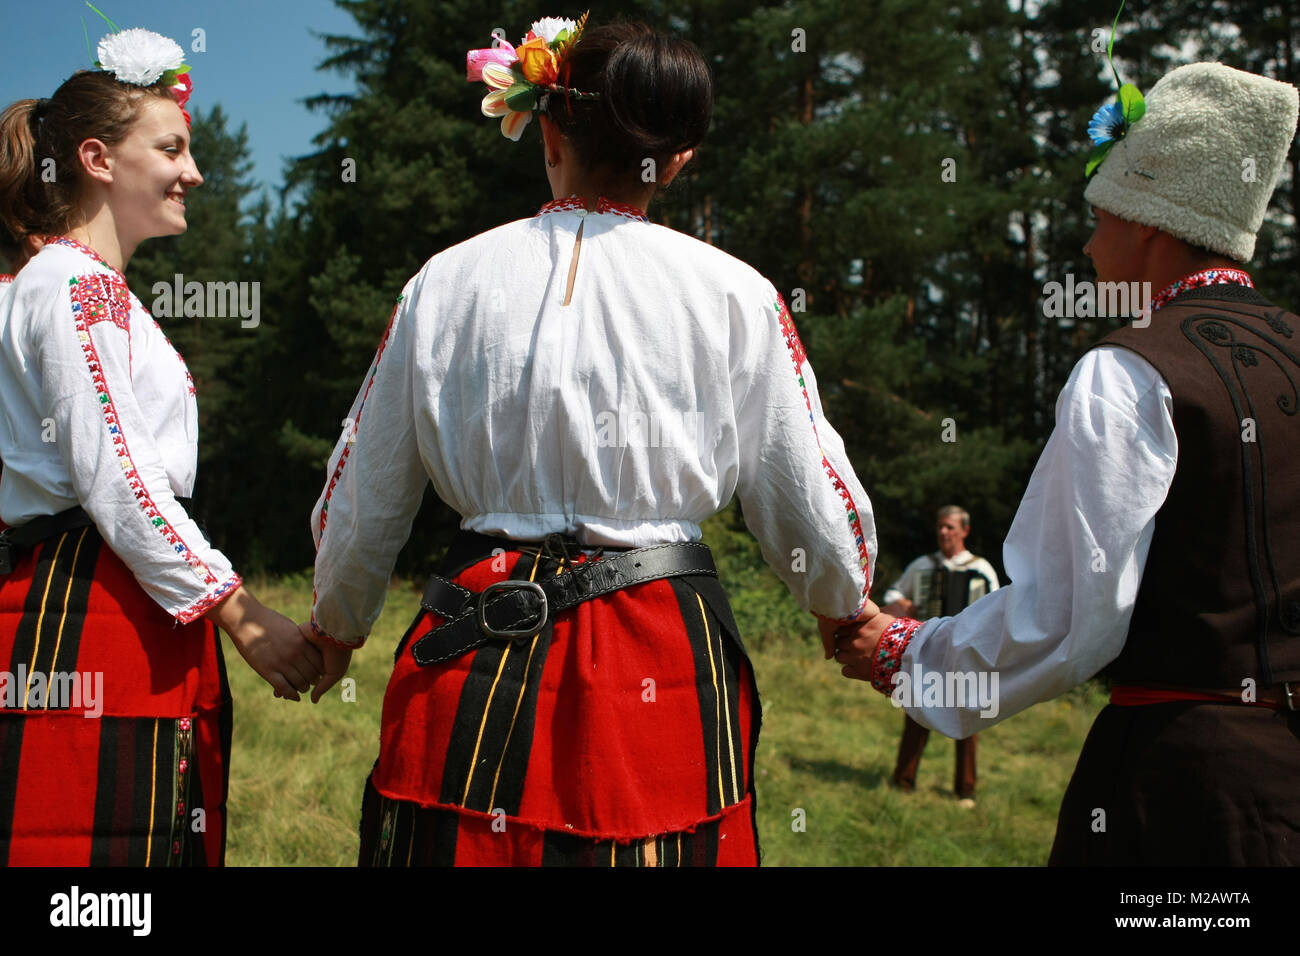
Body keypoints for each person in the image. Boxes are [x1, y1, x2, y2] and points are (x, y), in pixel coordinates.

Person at [306, 16, 878, 866]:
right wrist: (845, 606)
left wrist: (336, 624)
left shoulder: (444, 282)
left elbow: (368, 486)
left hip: (472, 641)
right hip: (658, 648)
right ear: (679, 159)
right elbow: (808, 495)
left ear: (547, 127)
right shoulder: (736, 295)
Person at [833, 61, 1300, 865]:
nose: (1088, 244)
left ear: (1148, 222)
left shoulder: (1129, 372)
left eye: (1099, 216)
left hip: (1184, 796)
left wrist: (905, 653)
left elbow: (1066, 618)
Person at [0, 25, 323, 866]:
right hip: (89, 603)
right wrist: (244, 618)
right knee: (94, 858)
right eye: (172, 148)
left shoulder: (85, 286)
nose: (194, 172)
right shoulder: (71, 284)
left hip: (123, 596)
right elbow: (121, 479)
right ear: (99, 158)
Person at [880, 505, 998, 804]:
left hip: (966, 655)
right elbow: (893, 593)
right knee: (917, 714)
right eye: (941, 526)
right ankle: (903, 782)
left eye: (950, 527)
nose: (944, 532)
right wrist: (905, 605)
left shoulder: (981, 570)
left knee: (968, 721)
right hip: (928, 650)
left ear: (964, 531)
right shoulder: (923, 565)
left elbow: (997, 609)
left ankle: (965, 790)